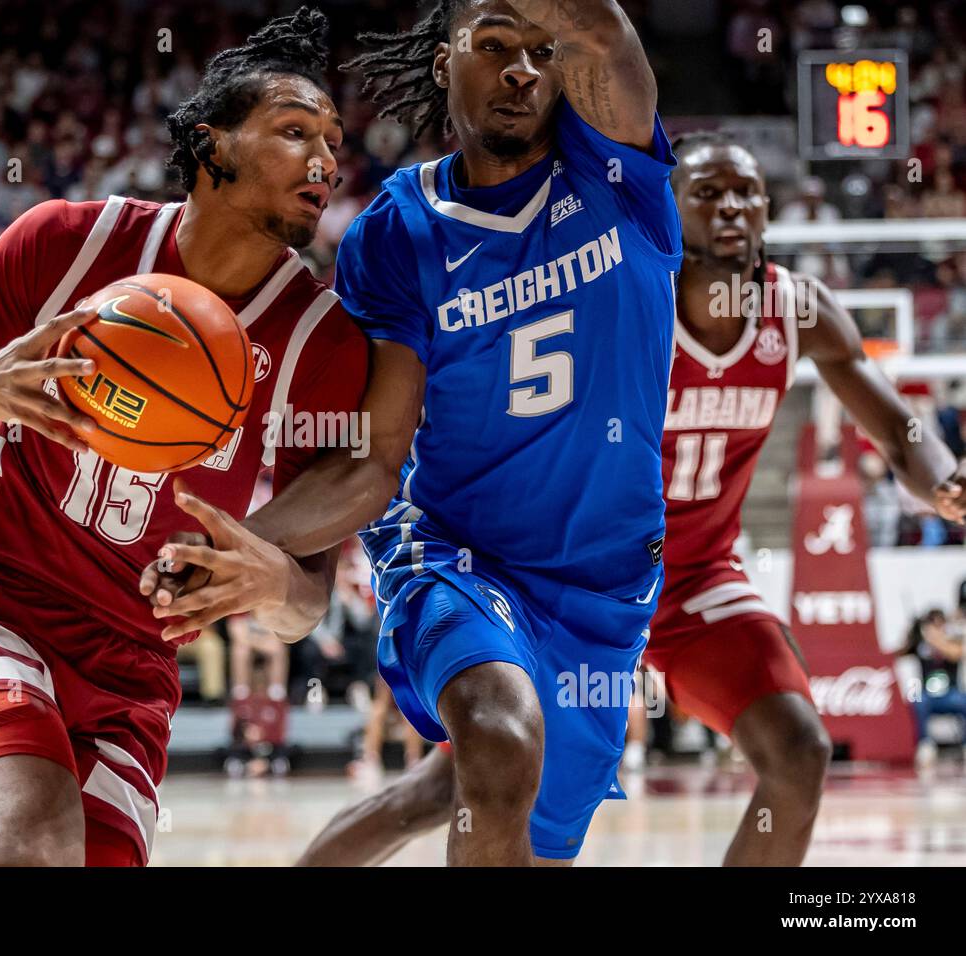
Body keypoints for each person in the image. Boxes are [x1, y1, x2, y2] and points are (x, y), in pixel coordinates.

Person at [280, 133, 966, 867]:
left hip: (694, 583)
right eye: (708, 193)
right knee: (462, 782)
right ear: (666, 207)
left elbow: (900, 431)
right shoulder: (622, 300)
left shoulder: (796, 310)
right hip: (577, 573)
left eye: (747, 193)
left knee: (799, 749)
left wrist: (945, 480)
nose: (732, 208)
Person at [147, 0, 681, 866]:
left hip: (604, 582)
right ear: (443, 64)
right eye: (495, 44)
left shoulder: (616, 174)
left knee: (473, 785)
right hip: (456, 554)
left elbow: (605, 34)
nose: (521, 69)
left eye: (540, 51)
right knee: (501, 742)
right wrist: (234, 545)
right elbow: (376, 458)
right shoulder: (397, 231)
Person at [0, 8, 367, 867]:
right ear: (211, 143)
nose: (325, 159)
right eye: (295, 132)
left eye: (333, 139)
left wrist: (268, 579)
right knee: (28, 849)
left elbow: (308, 604)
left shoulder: (322, 346)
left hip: (133, 673)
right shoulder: (62, 243)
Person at [902, 608, 966, 768]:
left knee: (962, 701)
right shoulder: (921, 645)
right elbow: (900, 653)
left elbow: (956, 653)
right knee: (918, 701)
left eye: (939, 623)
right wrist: (911, 633)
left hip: (951, 693)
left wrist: (935, 639)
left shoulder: (953, 639)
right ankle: (924, 745)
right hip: (927, 694)